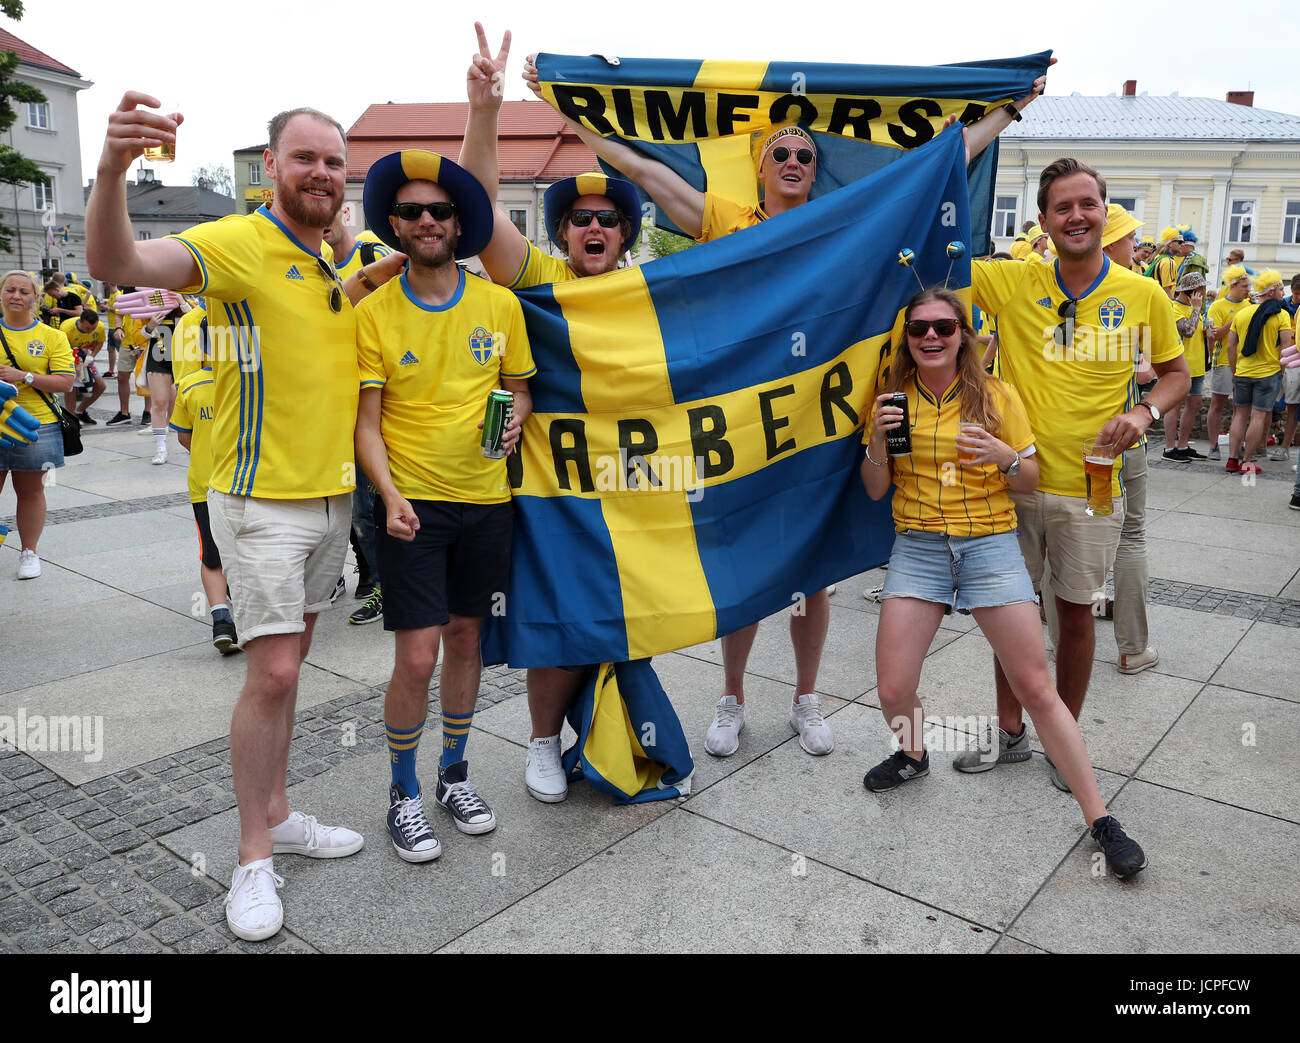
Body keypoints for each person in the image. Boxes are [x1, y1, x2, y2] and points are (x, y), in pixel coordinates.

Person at [521, 42, 1047, 761]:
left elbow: (935, 168)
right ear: (761, 166)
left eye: (804, 152)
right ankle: (731, 697)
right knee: (744, 561)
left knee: (814, 567)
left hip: (823, 416)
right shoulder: (725, 217)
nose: (794, 161)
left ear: (813, 167)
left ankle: (807, 697)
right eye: (781, 153)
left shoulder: (845, 221)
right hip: (744, 414)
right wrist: (563, 110)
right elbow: (640, 169)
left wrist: (1009, 109)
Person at [86, 93, 404, 943]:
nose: (323, 174)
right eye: (306, 159)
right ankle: (253, 853)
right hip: (259, 503)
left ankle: (282, 811)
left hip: (330, 499)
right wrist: (114, 166)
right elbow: (119, 260)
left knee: (292, 662)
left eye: (335, 163)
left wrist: (365, 259)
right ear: (272, 168)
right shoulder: (238, 243)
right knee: (271, 675)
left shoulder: (333, 261)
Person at [859, 287, 1147, 878]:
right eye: (919, 330)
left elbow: (1031, 478)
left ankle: (1101, 819)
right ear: (907, 340)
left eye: (944, 327)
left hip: (989, 543)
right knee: (892, 688)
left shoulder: (995, 396)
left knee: (1036, 687)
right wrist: (874, 444)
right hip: (918, 546)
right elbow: (873, 489)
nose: (932, 337)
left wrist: (1003, 455)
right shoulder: (891, 402)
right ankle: (913, 752)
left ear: (964, 334)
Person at [459, 25, 648, 802]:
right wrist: (485, 111)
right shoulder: (536, 273)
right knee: (557, 615)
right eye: (580, 219)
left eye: (608, 220)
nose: (594, 227)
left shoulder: (651, 292)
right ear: (563, 232)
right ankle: (541, 742)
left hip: (633, 479)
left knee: (619, 616)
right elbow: (475, 213)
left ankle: (599, 733)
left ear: (626, 235)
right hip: (548, 479)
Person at [959, 158, 1188, 788]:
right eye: (1063, 207)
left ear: (1102, 209)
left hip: (1091, 489)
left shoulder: (1142, 294)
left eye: (1087, 204)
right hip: (1015, 481)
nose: (1077, 216)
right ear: (1044, 220)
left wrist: (1143, 414)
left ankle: (1066, 741)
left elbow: (1176, 375)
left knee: (1076, 615)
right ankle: (1010, 734)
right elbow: (927, 268)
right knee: (1013, 614)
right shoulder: (1012, 282)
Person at [355, 149, 534, 860]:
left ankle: (452, 774)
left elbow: (519, 386)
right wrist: (389, 494)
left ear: (460, 224)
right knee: (417, 657)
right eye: (412, 212)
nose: (427, 221)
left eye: (440, 211)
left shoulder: (500, 304)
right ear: (394, 224)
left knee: (467, 640)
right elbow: (365, 422)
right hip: (413, 508)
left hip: (488, 502)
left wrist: (517, 413)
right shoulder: (375, 313)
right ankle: (401, 791)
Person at [1096, 204, 1160, 675]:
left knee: (1069, 538)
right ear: (1111, 244)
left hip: (1072, 441)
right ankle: (1132, 648)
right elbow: (1149, 369)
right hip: (1122, 441)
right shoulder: (1138, 293)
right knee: (1129, 536)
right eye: (1128, 239)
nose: (1134, 246)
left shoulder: (1062, 290)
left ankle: (1061, 639)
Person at [323, 211, 394, 624]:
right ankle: (367, 574)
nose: (325, 222)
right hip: (335, 403)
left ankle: (385, 583)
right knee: (350, 503)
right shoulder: (313, 265)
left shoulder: (371, 252)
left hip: (375, 395)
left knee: (372, 501)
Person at [0, 270, 75, 580]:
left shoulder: (52, 336)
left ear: (35, 298)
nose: (16, 295)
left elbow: (66, 383)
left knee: (30, 493)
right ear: (1, 294)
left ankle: (29, 552)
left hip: (37, 426)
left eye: (23, 291)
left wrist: (24, 377)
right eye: (10, 290)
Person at [169, 354, 239, 654]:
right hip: (252, 482)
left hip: (206, 483)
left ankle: (221, 618)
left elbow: (185, 437)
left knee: (212, 554)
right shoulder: (255, 380)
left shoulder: (188, 384)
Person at [1224, 269, 1292, 475]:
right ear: (1270, 292)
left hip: (1243, 373)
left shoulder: (1242, 313)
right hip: (1268, 374)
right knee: (1258, 417)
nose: (1283, 293)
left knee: (1239, 416)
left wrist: (1234, 370)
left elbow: (1230, 346)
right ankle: (1247, 462)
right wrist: (1280, 370)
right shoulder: (1281, 315)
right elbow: (1286, 348)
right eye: (1280, 289)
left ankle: (1232, 459)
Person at [1205, 266, 1253, 459]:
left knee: (1240, 407)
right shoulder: (1217, 306)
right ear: (1233, 285)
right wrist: (1234, 321)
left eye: (1248, 286)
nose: (1248, 290)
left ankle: (1237, 445)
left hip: (1245, 363)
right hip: (1223, 361)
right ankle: (1213, 445)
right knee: (1217, 404)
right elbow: (1212, 335)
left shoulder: (1250, 305)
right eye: (1244, 286)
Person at [1162, 272, 1208, 461]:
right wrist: (1196, 309)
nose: (1204, 292)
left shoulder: (1193, 307)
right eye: (1201, 289)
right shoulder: (1174, 308)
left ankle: (1183, 445)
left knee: (1194, 404)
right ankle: (1169, 448)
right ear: (1192, 291)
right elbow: (1188, 331)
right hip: (1180, 366)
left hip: (1197, 365)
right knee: (1175, 406)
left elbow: (1196, 332)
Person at [58, 310, 107, 424]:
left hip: (86, 358)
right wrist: (73, 360)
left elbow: (100, 342)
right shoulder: (66, 328)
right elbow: (60, 348)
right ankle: (72, 417)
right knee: (71, 388)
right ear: (80, 321)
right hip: (70, 358)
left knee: (101, 385)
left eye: (93, 328)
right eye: (88, 328)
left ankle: (80, 410)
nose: (91, 331)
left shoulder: (100, 327)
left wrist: (92, 356)